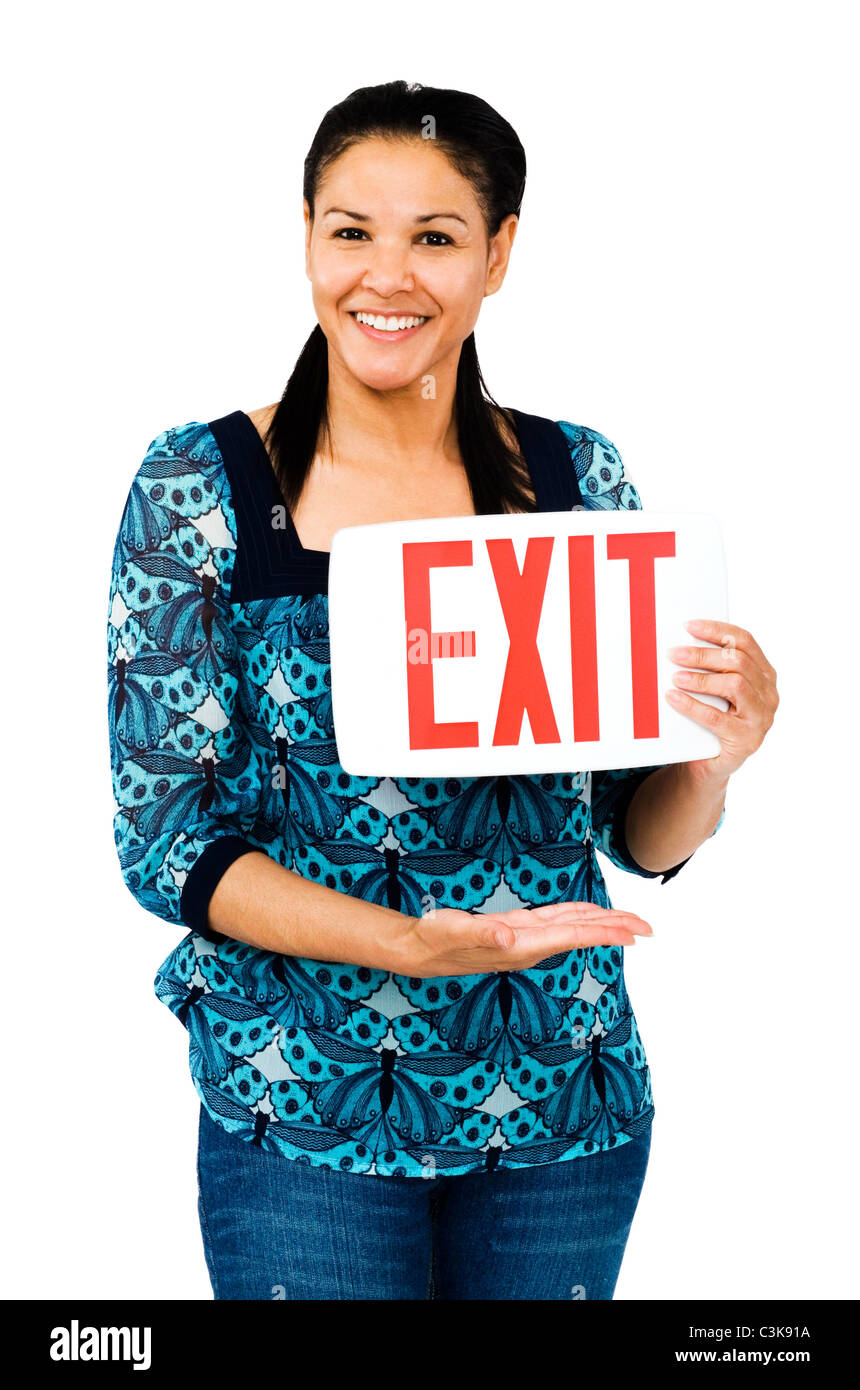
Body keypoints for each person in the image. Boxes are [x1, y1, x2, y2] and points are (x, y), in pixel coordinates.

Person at [106, 80, 778, 1301]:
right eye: (350, 230)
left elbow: (635, 835)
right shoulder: (200, 489)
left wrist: (712, 756)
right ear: (304, 236)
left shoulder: (578, 479)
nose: (386, 276)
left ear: (498, 254)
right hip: (300, 1105)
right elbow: (169, 850)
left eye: (435, 236)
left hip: (561, 1099)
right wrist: (408, 946)